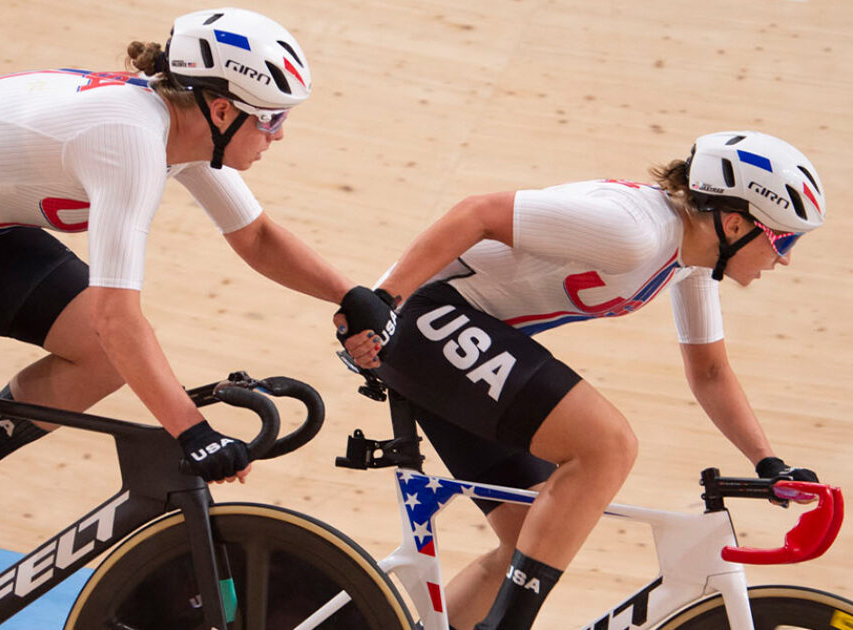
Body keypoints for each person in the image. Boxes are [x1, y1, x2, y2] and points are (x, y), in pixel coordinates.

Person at [0, 7, 389, 591]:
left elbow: (256, 236)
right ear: (221, 109)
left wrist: (349, 295)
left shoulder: (179, 130)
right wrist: (191, 430)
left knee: (94, 362)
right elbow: (118, 317)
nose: (280, 134)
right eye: (273, 118)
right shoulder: (127, 142)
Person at [337, 131, 826, 629]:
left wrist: (769, 462)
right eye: (783, 239)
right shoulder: (633, 230)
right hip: (420, 314)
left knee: (532, 538)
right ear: (734, 222)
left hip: (446, 332)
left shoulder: (690, 261)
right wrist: (381, 305)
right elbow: (478, 212)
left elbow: (710, 371)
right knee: (608, 445)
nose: (785, 257)